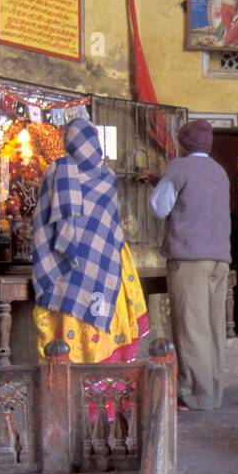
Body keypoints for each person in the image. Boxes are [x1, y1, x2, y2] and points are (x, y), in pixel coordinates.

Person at [32, 117, 149, 364]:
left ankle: (66, 389)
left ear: (69, 142)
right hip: (105, 263)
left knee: (67, 330)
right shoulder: (107, 175)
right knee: (101, 332)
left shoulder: (57, 169)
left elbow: (41, 220)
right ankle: (103, 391)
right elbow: (110, 224)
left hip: (66, 266)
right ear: (95, 143)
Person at [150, 119, 231, 410]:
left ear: (183, 144)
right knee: (212, 326)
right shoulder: (220, 172)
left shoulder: (179, 167)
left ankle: (197, 395)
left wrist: (160, 181)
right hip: (220, 259)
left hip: (189, 259)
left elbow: (159, 207)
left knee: (191, 327)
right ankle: (214, 392)